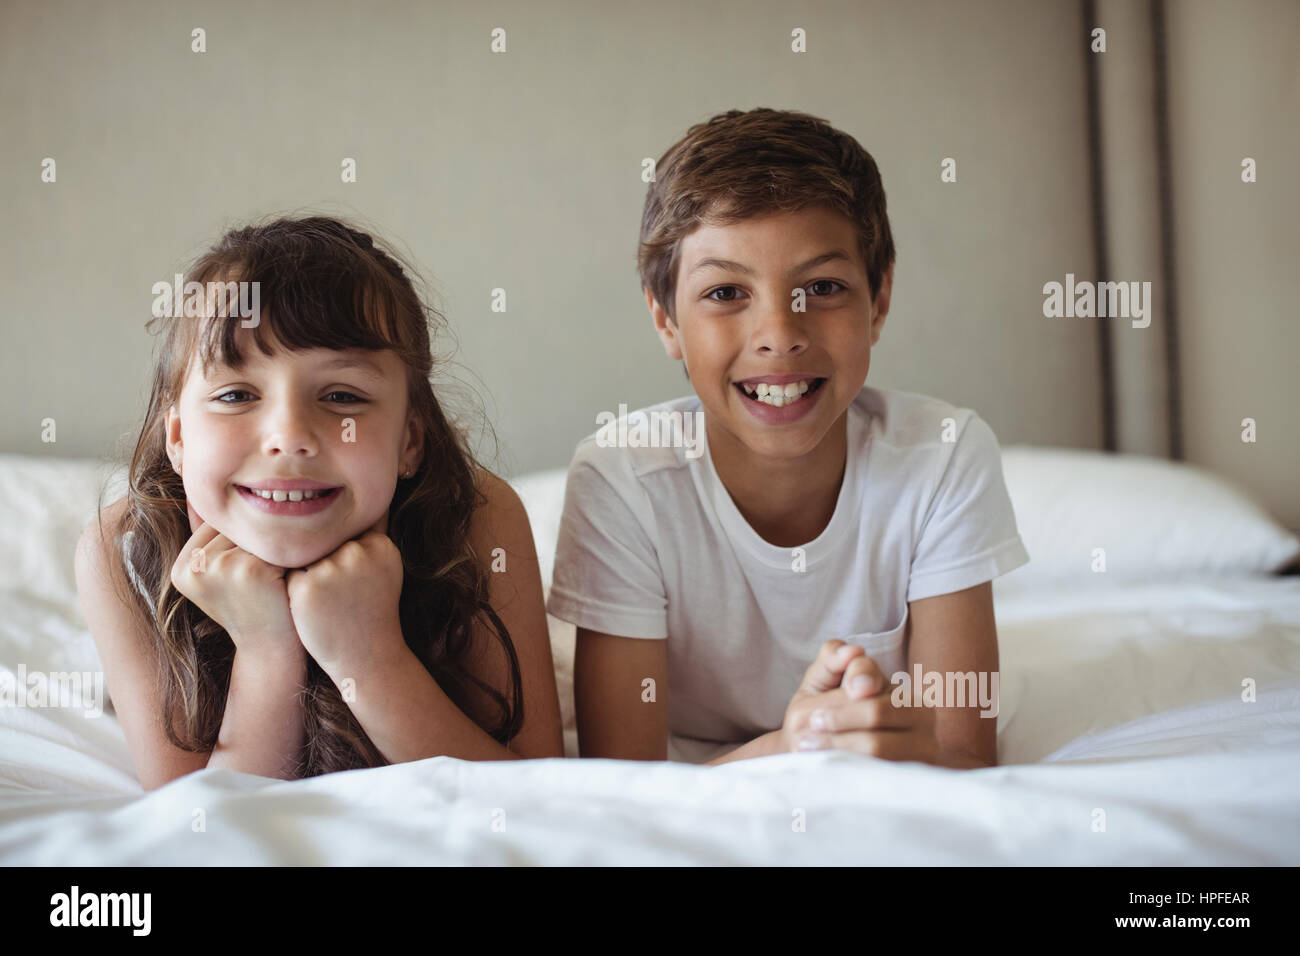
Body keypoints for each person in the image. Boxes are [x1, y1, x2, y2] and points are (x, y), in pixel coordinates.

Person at [547, 108, 1029, 767]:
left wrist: (854, 740)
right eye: (724, 292)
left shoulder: (943, 456)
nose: (779, 333)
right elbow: (625, 783)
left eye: (823, 287)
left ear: (879, 302)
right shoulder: (622, 481)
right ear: (665, 321)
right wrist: (794, 746)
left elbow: (963, 754)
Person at [76, 216, 563, 790]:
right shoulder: (123, 551)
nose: (290, 436)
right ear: (178, 440)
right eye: (236, 395)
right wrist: (265, 648)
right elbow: (196, 828)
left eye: (341, 396)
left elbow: (536, 798)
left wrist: (370, 656)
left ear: (410, 440)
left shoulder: (477, 517)